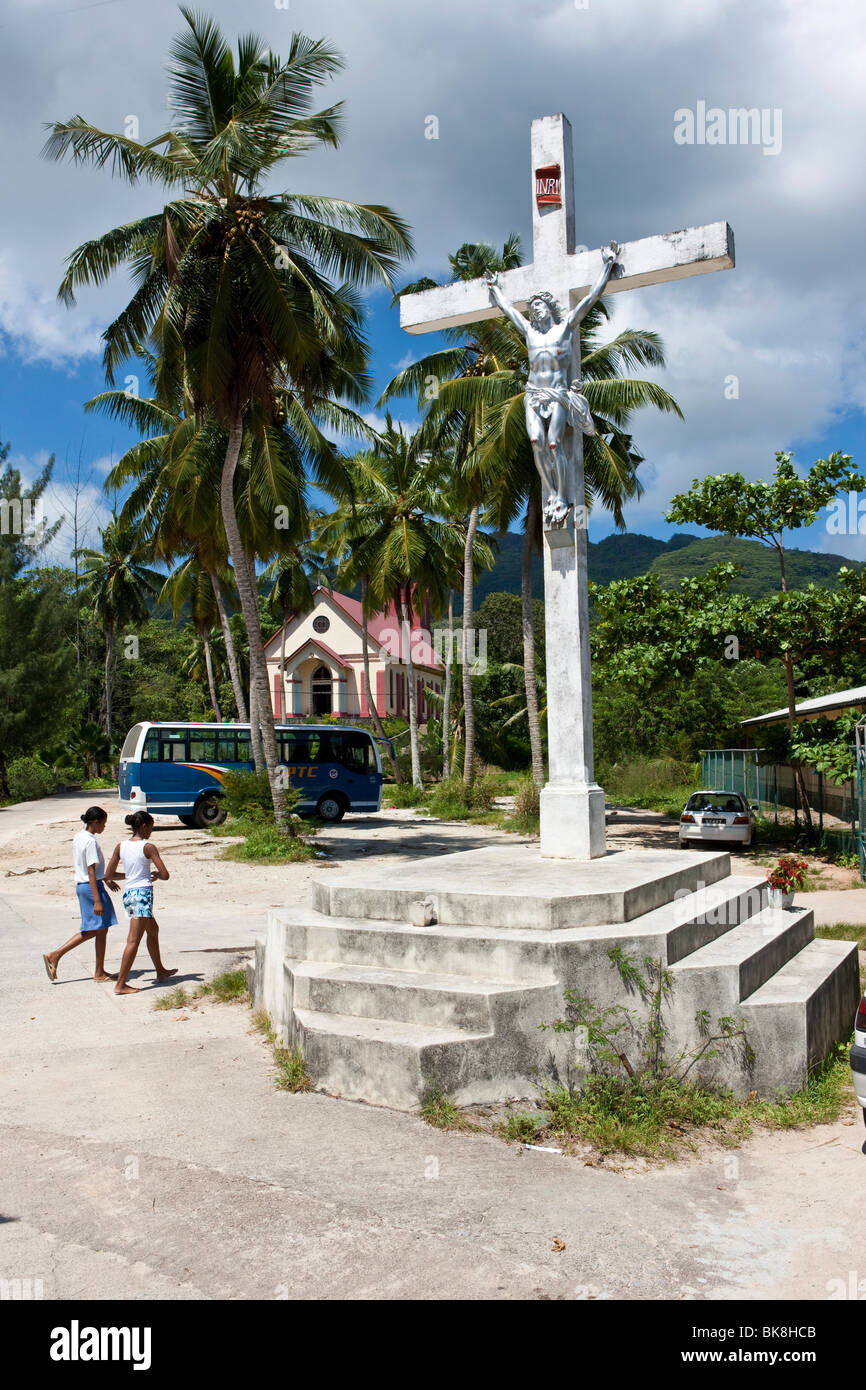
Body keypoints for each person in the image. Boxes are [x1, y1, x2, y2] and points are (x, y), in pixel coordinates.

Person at [43, 806, 118, 983]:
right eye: (104, 823)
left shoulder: (79, 836)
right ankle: (55, 955)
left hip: (84, 886)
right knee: (93, 929)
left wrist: (105, 879)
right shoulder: (90, 841)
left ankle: (99, 972)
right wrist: (98, 899)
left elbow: (89, 868)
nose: (104, 827)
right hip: (91, 887)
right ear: (95, 822)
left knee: (101, 929)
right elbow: (91, 870)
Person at [106, 811, 176, 996]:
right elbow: (165, 874)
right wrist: (155, 876)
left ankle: (160, 971)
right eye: (151, 827)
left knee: (153, 930)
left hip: (129, 894)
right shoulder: (148, 847)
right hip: (142, 895)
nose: (151, 831)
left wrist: (129, 876)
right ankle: (121, 984)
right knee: (133, 940)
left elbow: (109, 875)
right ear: (144, 826)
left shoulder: (120, 846)